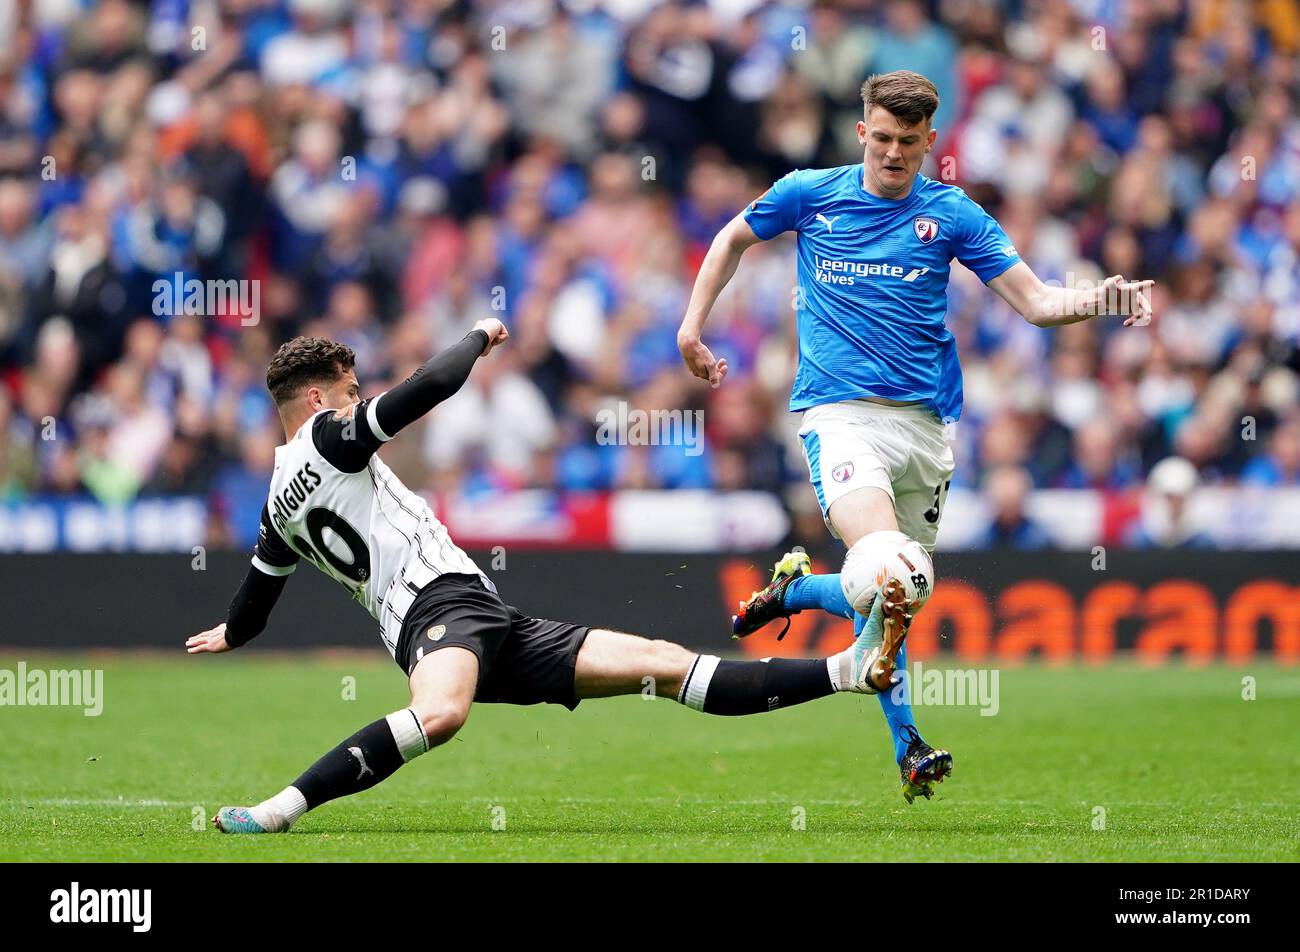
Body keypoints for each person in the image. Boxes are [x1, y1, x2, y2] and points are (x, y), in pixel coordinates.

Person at [185, 324, 895, 834]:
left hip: (478, 619)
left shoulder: (276, 503)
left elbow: (256, 601)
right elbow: (427, 387)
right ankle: (277, 811)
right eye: (347, 391)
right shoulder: (328, 439)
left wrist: (228, 633)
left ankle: (848, 670)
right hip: (440, 610)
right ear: (315, 402)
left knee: (664, 664)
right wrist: (477, 335)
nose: (355, 401)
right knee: (441, 715)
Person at [677, 70, 1152, 802]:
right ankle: (908, 742)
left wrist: (1102, 297)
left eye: (910, 143)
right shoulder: (811, 193)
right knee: (889, 570)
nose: (894, 154)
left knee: (895, 596)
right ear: (863, 132)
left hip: (927, 431)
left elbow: (1035, 303)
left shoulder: (953, 215)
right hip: (840, 420)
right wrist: (691, 327)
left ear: (931, 141)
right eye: (883, 139)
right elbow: (731, 238)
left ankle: (797, 592)